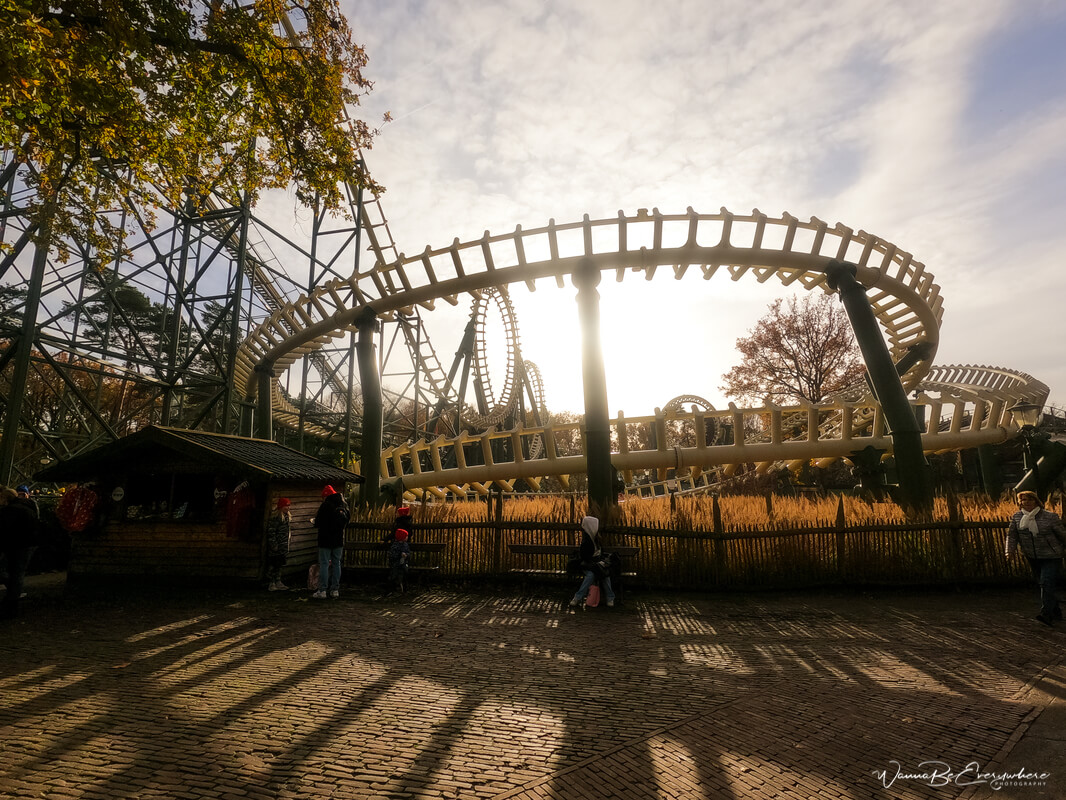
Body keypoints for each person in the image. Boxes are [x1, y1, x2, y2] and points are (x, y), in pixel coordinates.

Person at [1005, 490, 1066, 626]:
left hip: (1051, 555)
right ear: (1020, 503)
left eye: (1030, 500)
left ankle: (1046, 614)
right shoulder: (1017, 517)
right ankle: (1056, 611)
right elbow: (1012, 536)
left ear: (1036, 501)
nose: (1027, 503)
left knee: (1046, 582)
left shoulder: (1050, 517)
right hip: (1032, 556)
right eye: (1024, 500)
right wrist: (1009, 551)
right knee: (1044, 584)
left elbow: (1062, 535)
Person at [1, 484, 40, 619]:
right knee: (17, 573)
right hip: (26, 544)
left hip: (16, 545)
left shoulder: (10, 511)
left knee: (13, 573)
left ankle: (11, 601)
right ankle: (12, 601)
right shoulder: (28, 508)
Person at [568, 515, 616, 609]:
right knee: (592, 574)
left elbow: (602, 553)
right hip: (588, 566)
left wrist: (601, 562)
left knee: (604, 574)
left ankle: (610, 598)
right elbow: (585, 558)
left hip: (597, 564)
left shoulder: (597, 539)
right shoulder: (586, 542)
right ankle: (578, 597)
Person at [313, 485, 349, 599]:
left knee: (324, 564)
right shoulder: (343, 505)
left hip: (325, 539)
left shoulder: (325, 506)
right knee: (336, 564)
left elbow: (318, 522)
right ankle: (335, 590)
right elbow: (347, 520)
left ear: (326, 496)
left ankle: (322, 590)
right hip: (338, 539)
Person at [265, 497, 292, 591]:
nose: (288, 508)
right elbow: (271, 532)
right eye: (286, 506)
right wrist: (273, 544)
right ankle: (271, 582)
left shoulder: (286, 517)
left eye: (288, 506)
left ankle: (278, 581)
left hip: (283, 545)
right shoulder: (275, 518)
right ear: (281, 506)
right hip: (276, 546)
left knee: (280, 564)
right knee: (273, 564)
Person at [388, 527, 411, 594]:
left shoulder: (406, 545)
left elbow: (409, 553)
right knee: (394, 575)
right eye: (406, 536)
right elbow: (392, 555)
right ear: (402, 537)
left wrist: (406, 555)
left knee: (404, 574)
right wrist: (400, 555)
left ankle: (404, 588)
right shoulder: (395, 545)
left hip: (404, 563)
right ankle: (392, 588)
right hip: (396, 563)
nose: (407, 537)